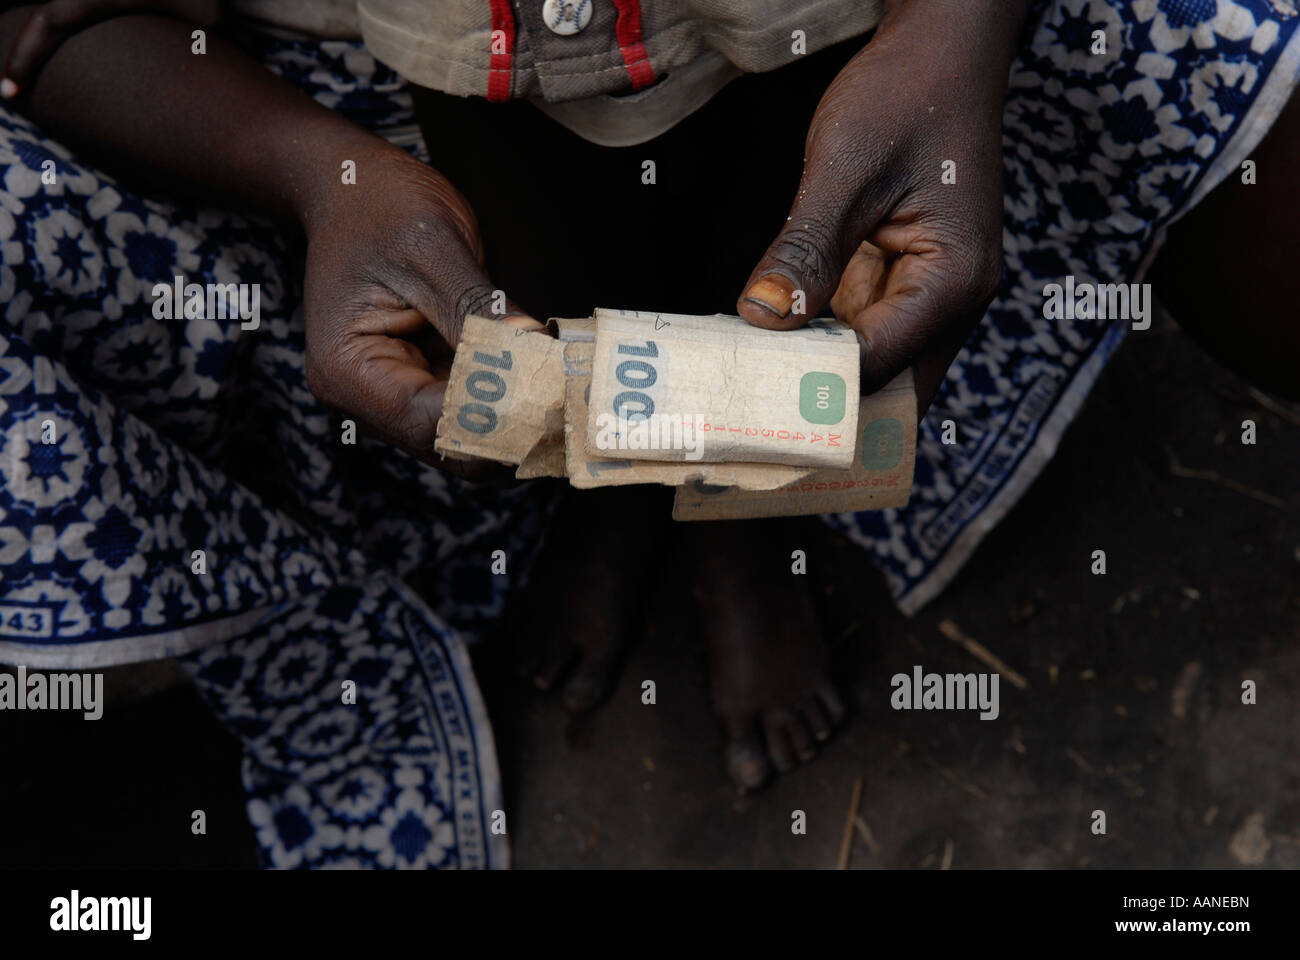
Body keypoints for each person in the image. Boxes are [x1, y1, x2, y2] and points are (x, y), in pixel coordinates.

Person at [2, 0, 1298, 860]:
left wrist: (957, 29)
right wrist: (325, 173)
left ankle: (733, 521)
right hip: (434, 53)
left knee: (792, 253)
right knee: (536, 268)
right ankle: (622, 489)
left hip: (816, 26)